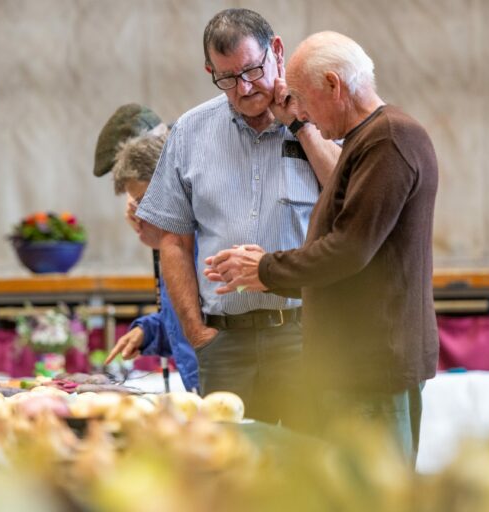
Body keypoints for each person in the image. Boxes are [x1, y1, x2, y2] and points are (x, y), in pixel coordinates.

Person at [205, 31, 439, 463]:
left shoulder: (387, 140)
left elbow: (349, 250)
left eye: (302, 99)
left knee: (367, 495)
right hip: (354, 363)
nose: (300, 112)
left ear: (334, 85)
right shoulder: (370, 139)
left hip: (372, 367)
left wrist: (266, 270)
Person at [135, 9, 340, 422]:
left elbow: (347, 193)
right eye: (227, 78)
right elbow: (172, 240)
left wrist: (300, 124)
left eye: (251, 70)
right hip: (224, 343)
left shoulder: (318, 117)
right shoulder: (191, 132)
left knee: (303, 465)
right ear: (210, 71)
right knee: (228, 471)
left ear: (276, 51)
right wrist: (197, 334)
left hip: (303, 336)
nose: (244, 87)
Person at [92, 103, 198, 392]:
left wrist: (161, 238)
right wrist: (148, 330)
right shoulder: (171, 234)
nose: (137, 211)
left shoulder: (200, 233)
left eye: (142, 199)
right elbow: (181, 318)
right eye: (135, 202)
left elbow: (206, 321)